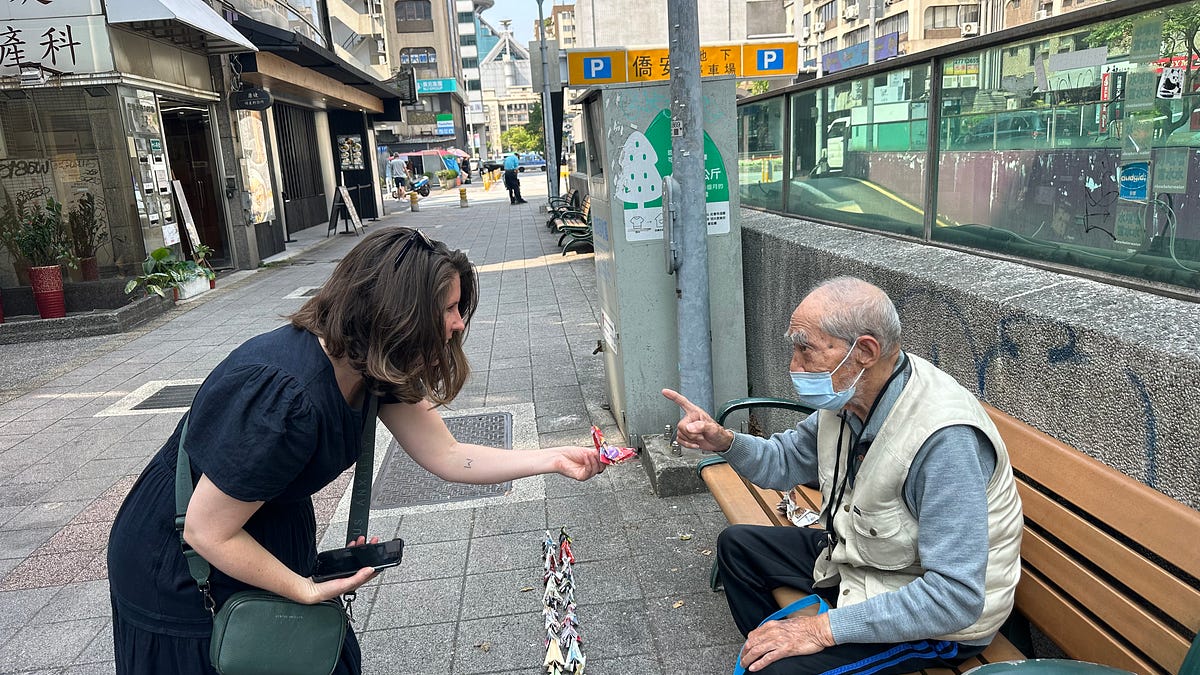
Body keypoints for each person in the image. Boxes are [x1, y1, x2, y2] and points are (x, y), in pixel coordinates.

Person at [108, 227, 606, 674]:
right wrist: (304, 589)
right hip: (180, 561)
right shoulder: (285, 394)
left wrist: (553, 459)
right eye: (450, 310)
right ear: (399, 314)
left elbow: (448, 455)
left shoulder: (374, 367)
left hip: (257, 527)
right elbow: (205, 529)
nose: (459, 324)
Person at [662, 276, 1022, 675]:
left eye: (806, 349)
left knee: (777, 673)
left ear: (865, 350)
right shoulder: (854, 395)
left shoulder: (944, 440)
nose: (794, 366)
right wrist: (724, 440)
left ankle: (788, 660)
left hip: (937, 621)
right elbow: (782, 461)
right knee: (739, 547)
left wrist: (823, 630)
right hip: (866, 562)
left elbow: (954, 598)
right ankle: (774, 646)